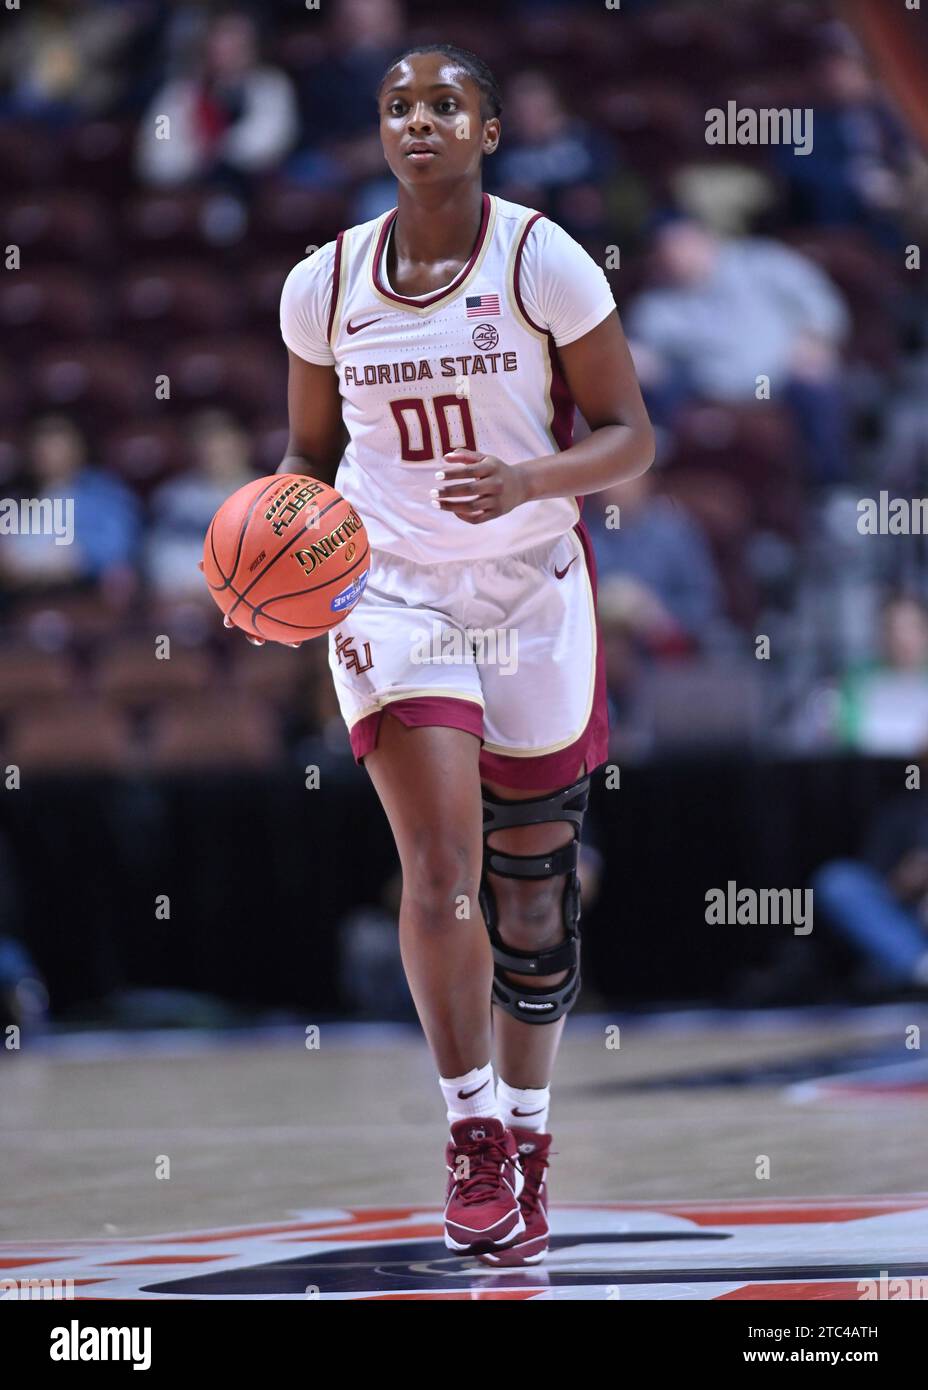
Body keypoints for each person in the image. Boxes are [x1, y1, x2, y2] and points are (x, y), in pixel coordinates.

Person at [208, 43, 653, 1264]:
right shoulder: (325, 282)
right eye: (400, 105)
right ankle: (469, 1133)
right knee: (441, 859)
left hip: (534, 588)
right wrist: (274, 561)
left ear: (488, 131)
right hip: (391, 594)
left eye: (445, 104)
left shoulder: (541, 257)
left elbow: (627, 437)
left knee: (532, 891)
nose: (420, 121)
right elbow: (306, 461)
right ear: (381, 130)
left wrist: (527, 477)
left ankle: (530, 1129)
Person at [625, 214, 851, 484]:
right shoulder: (655, 307)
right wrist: (639, 360)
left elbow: (817, 297)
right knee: (650, 384)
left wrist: (815, 337)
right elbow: (642, 353)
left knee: (817, 386)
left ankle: (830, 487)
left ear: (704, 238)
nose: (676, 255)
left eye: (681, 244)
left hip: (784, 376)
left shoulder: (759, 260)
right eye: (665, 250)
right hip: (708, 394)